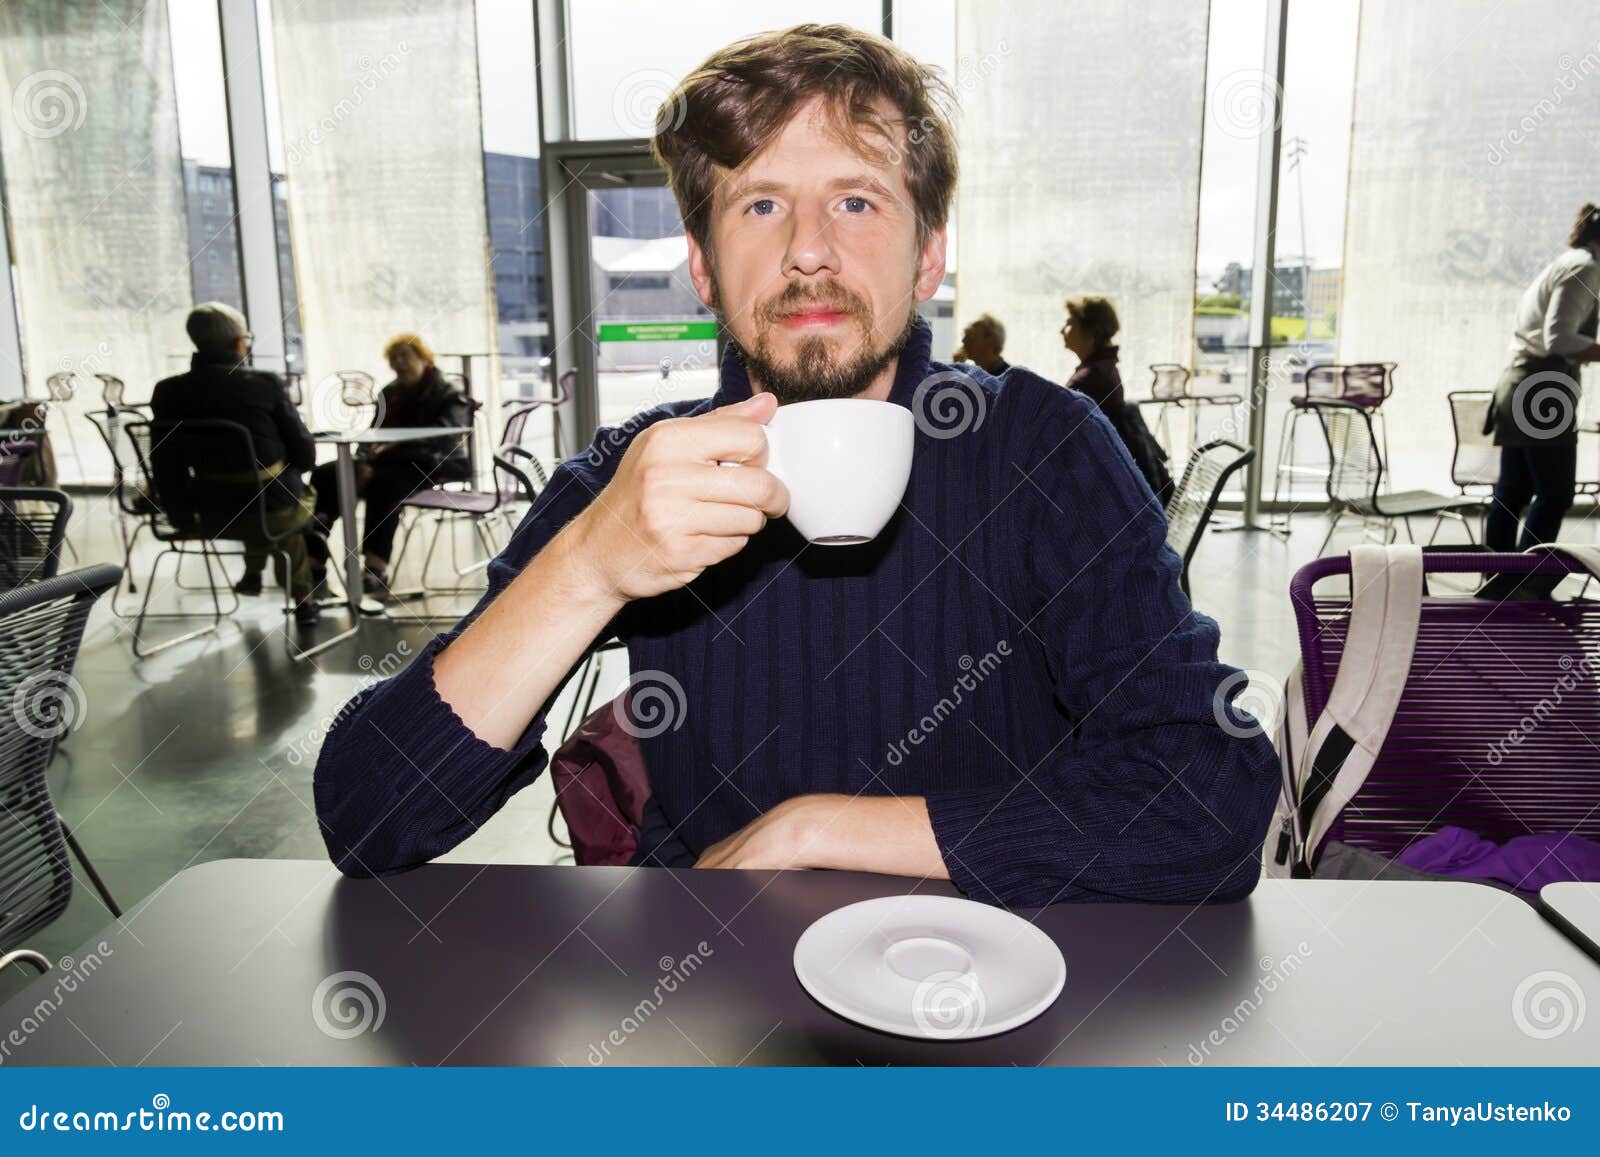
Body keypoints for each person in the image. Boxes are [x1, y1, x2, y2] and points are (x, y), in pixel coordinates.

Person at [313, 24, 1279, 906]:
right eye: (761, 202)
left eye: (856, 200)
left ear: (927, 255)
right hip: (715, 994)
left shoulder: (1043, 447)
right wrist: (589, 567)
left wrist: (815, 830)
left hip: (990, 995)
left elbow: (1214, 793)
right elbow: (366, 815)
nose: (808, 251)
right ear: (702, 265)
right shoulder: (636, 474)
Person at [150, 302, 321, 626]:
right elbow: (305, 456)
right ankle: (304, 600)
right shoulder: (265, 384)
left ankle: (253, 572)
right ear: (238, 343)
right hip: (270, 511)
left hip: (207, 513)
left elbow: (165, 465)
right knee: (288, 507)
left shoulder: (168, 391)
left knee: (256, 495)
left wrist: (181, 515)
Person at [307, 333, 471, 595]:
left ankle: (375, 568)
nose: (399, 363)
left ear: (423, 357)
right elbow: (372, 434)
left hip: (429, 463)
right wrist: (362, 461)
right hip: (383, 463)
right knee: (327, 474)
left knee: (384, 484)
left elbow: (445, 435)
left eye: (405, 356)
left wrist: (391, 451)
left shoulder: (448, 393)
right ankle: (314, 556)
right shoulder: (390, 392)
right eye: (394, 358)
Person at [1483, 203, 1600, 561]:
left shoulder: (1567, 263)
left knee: (1513, 491)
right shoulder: (1585, 268)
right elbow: (1559, 340)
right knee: (1555, 493)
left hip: (1523, 384)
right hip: (1542, 389)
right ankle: (1527, 581)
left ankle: (1500, 577)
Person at [1060, 295, 1173, 505]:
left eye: (1069, 324)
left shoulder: (1089, 378)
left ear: (1090, 333)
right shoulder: (1103, 369)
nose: (1062, 330)